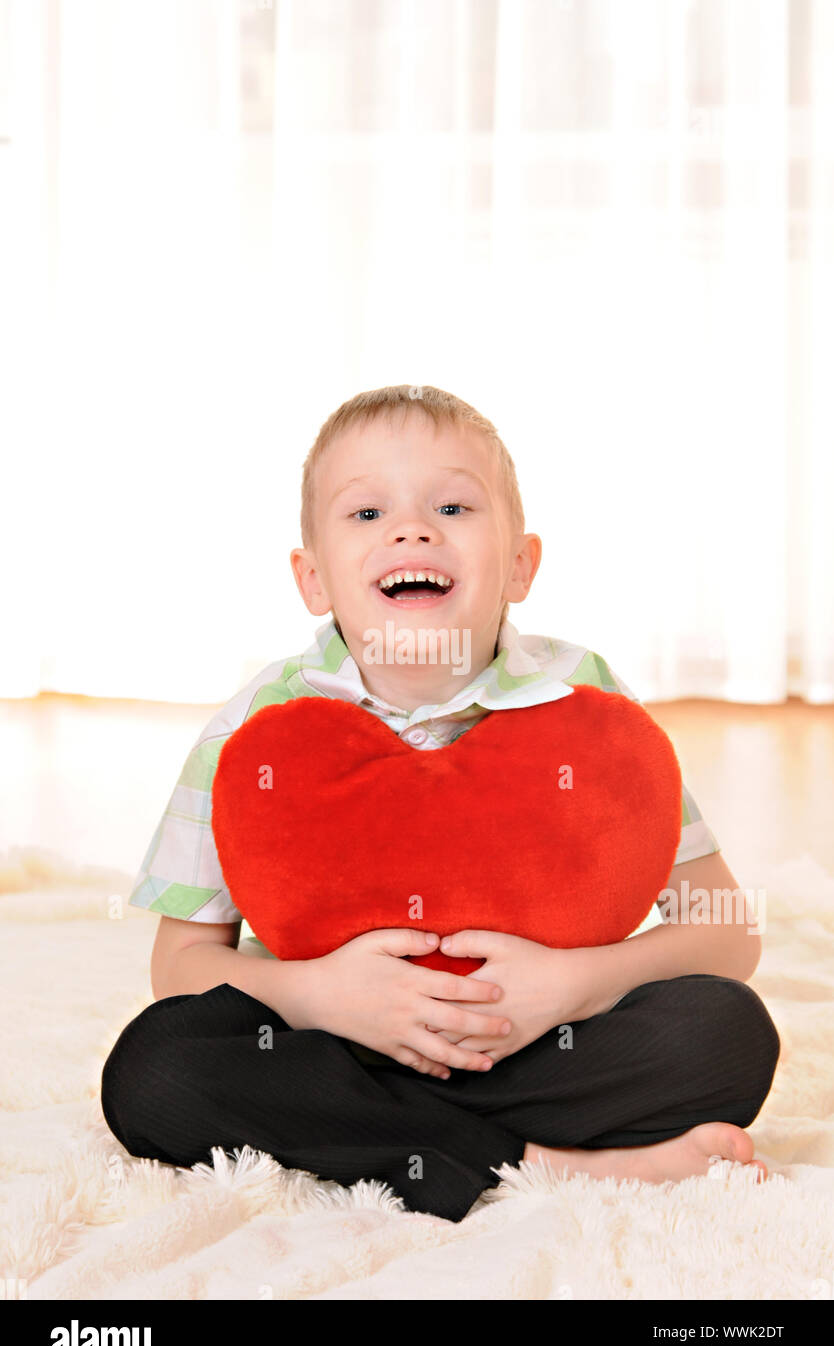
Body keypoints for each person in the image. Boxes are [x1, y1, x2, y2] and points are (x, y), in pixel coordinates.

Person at [101, 384, 780, 1224]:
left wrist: (570, 988)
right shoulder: (255, 730)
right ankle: (539, 1164)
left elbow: (728, 934)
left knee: (727, 1030)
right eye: (366, 513)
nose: (412, 530)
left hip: (540, 1047)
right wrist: (324, 997)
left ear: (522, 564)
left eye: (452, 505)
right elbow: (181, 970)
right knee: (154, 1067)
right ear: (312, 579)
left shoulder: (586, 704)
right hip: (338, 1054)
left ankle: (401, 1144)